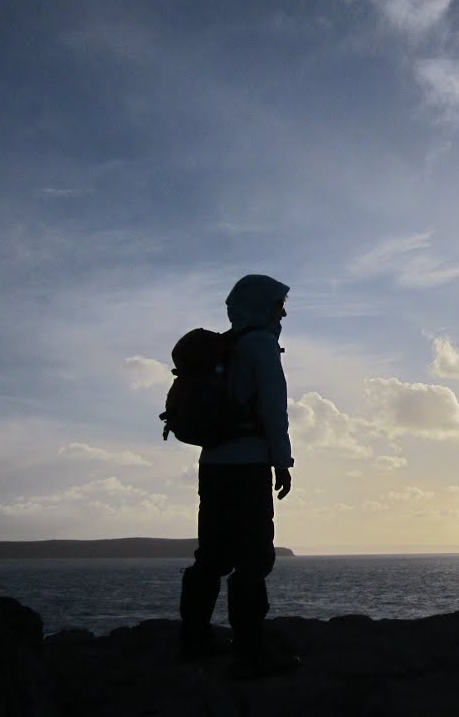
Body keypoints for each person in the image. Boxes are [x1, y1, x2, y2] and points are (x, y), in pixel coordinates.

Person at [178, 274, 298, 678]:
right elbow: (272, 409)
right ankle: (250, 649)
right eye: (278, 302)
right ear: (263, 305)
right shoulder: (261, 345)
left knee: (211, 555)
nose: (283, 310)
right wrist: (282, 461)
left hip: (212, 466)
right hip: (248, 467)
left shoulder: (225, 346)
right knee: (253, 557)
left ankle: (193, 639)